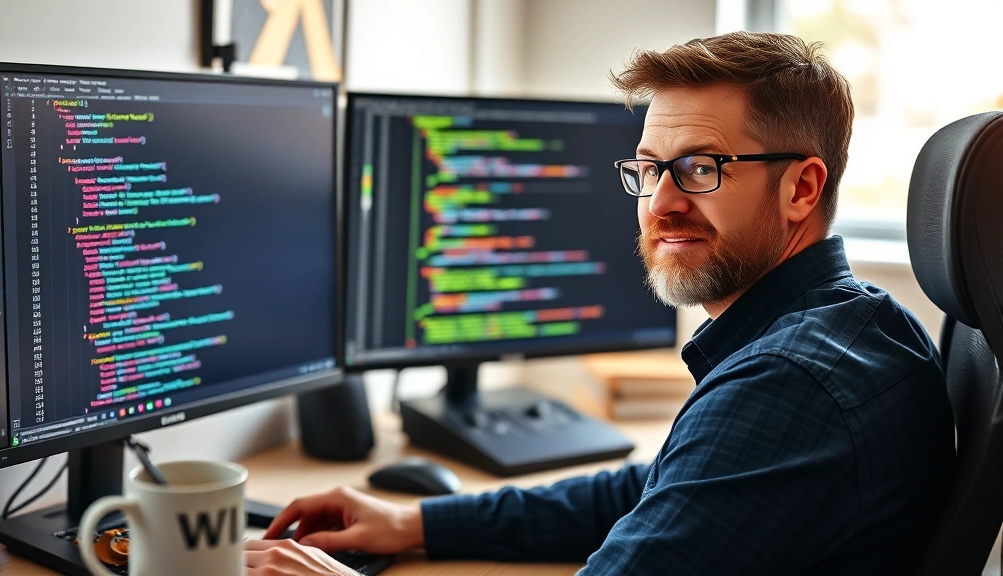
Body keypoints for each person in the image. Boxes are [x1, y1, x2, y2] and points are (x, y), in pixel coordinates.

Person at [243, 31, 957, 575]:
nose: (662, 203)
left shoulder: (793, 383)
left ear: (802, 188)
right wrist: (418, 523)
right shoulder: (860, 324)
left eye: (701, 168)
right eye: (649, 170)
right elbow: (655, 491)